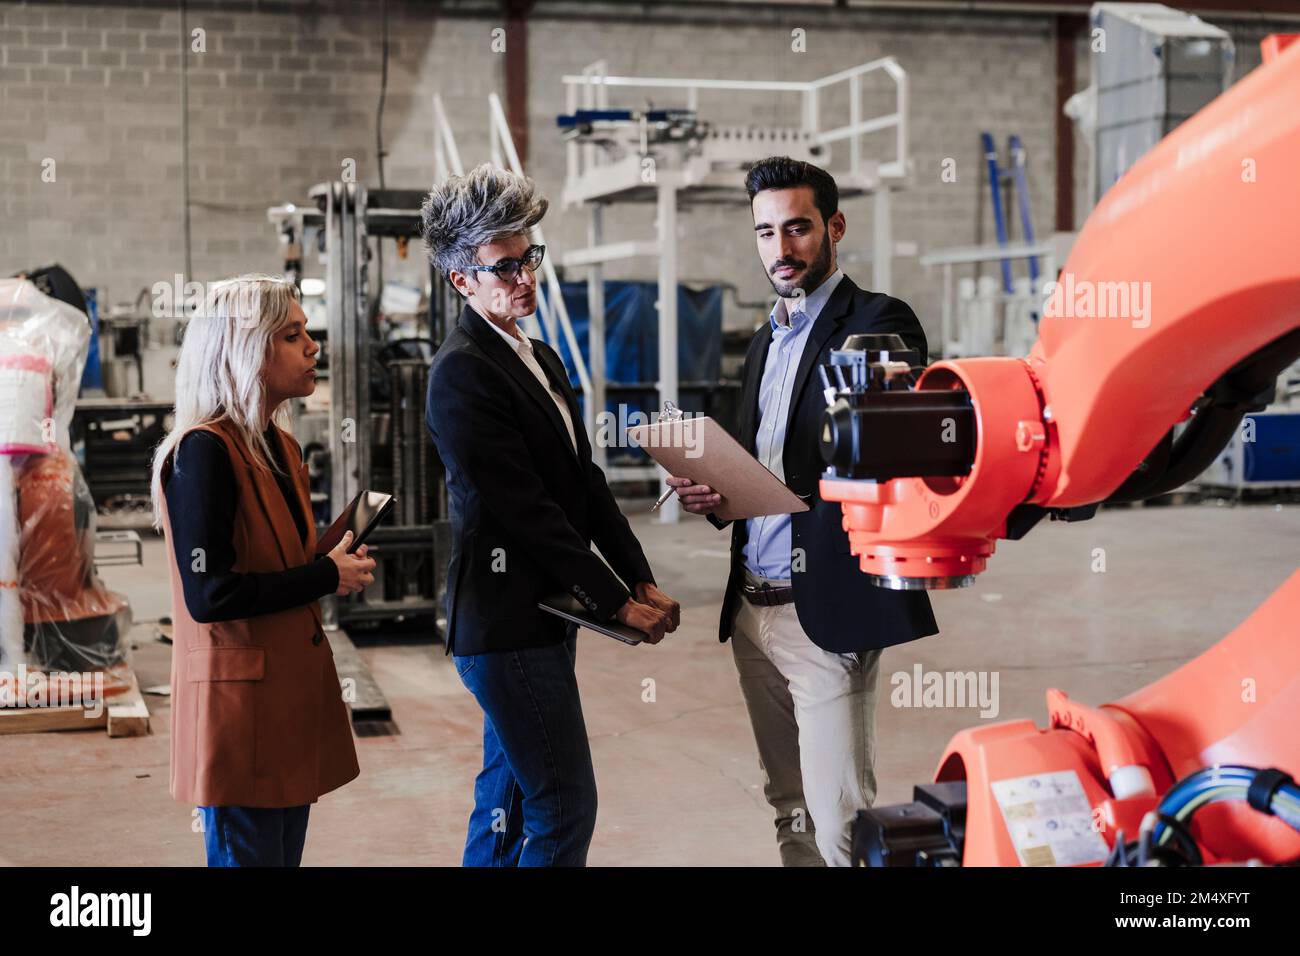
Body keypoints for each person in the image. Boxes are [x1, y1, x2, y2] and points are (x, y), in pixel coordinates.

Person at [667, 157, 939, 866]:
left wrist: (788, 480)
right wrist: (715, 493)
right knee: (789, 810)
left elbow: (875, 446)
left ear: (833, 227)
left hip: (827, 606)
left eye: (797, 229)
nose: (780, 250)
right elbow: (759, 459)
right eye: (765, 232)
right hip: (754, 609)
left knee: (841, 819)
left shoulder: (881, 321)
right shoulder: (766, 338)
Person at [421, 164, 680, 866]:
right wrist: (612, 603)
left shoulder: (538, 356)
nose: (525, 278)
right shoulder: (461, 373)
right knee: (563, 804)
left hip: (542, 616)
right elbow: (524, 513)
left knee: (505, 804)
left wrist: (637, 577)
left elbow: (583, 482)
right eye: (504, 267)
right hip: (503, 623)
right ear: (461, 281)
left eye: (530, 257)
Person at [150, 274, 373, 866]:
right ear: (247, 349)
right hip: (239, 711)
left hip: (284, 702)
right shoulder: (203, 452)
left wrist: (332, 559)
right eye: (293, 336)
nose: (312, 348)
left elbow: (277, 559)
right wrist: (327, 576)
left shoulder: (280, 447)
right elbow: (211, 594)